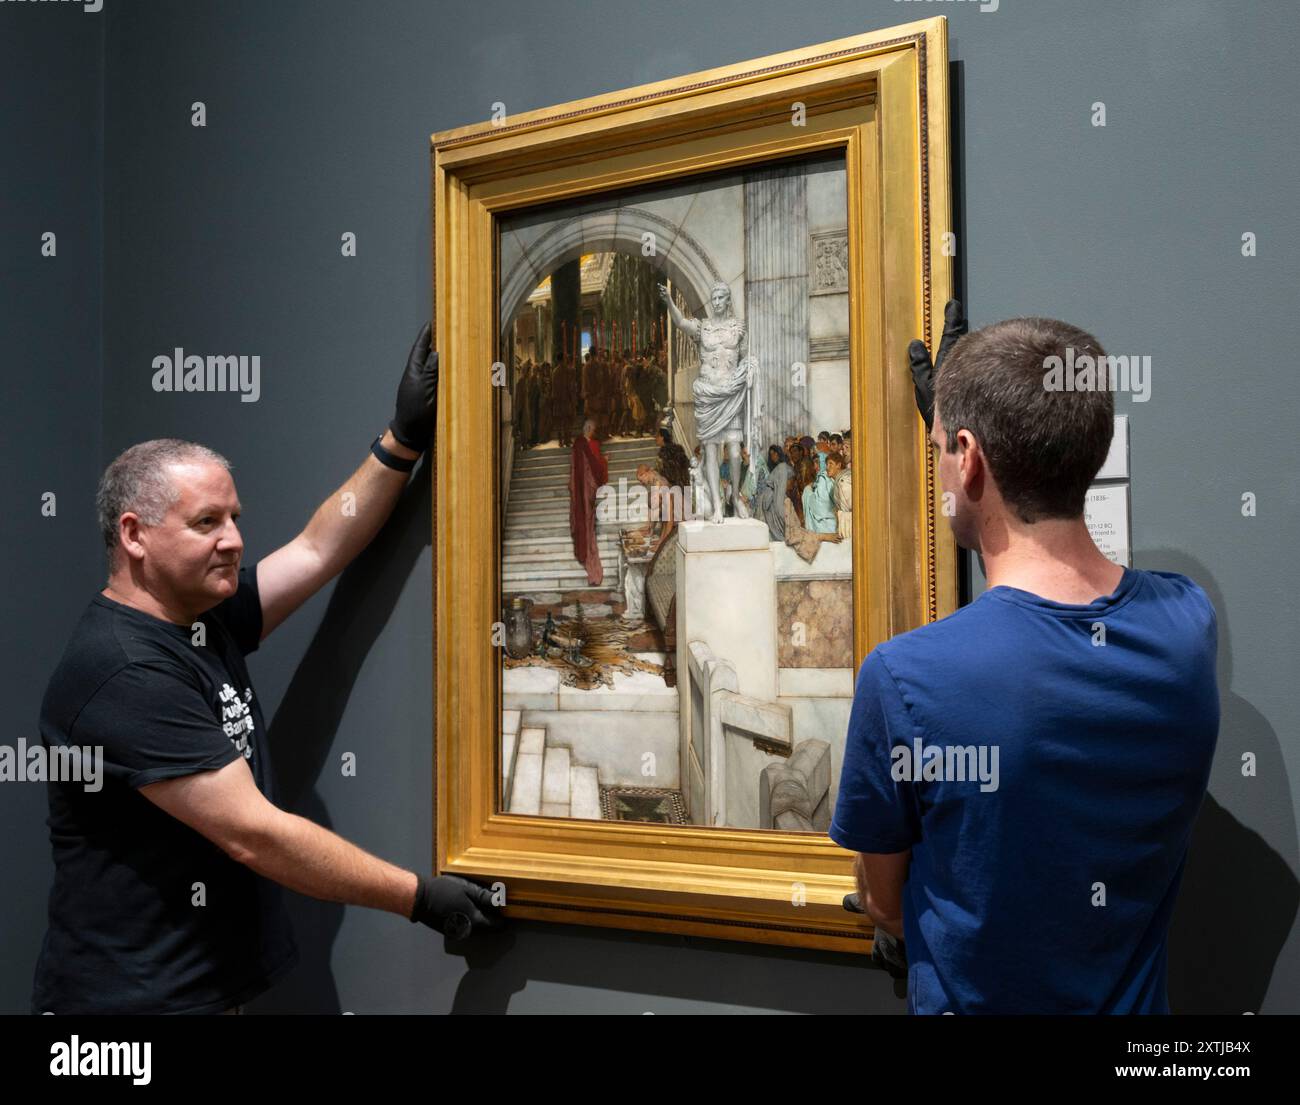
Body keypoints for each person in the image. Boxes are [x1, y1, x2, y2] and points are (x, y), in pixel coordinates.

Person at [31, 325, 503, 1015]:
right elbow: (257, 834)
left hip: (201, 994)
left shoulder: (201, 612)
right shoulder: (122, 671)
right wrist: (417, 896)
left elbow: (317, 549)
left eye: (235, 516)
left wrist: (400, 440)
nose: (235, 538)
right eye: (206, 522)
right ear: (134, 534)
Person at [829, 302, 1219, 1014]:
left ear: (972, 457)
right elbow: (1045, 619)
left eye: (945, 447)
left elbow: (883, 902)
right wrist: (972, 469)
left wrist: (967, 481)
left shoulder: (903, 678)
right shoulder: (1189, 625)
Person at [569, 418, 608, 586]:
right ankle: (592, 568)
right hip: (585, 492)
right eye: (593, 430)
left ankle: (589, 563)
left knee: (585, 522)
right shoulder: (586, 444)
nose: (594, 433)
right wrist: (605, 461)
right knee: (587, 522)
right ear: (589, 429)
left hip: (580, 491)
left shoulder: (578, 444)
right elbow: (596, 469)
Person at [752, 444, 791, 541]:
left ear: (779, 453)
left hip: (782, 498)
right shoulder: (770, 468)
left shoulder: (784, 466)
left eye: (775, 453)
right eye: (771, 454)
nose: (773, 455)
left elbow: (784, 486)